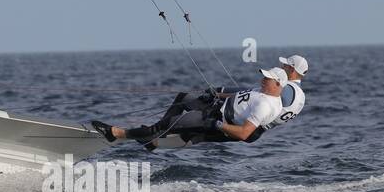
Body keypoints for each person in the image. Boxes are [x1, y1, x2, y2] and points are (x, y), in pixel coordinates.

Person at [93, 67, 288, 145]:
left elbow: (244, 134)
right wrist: (217, 94)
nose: (263, 78)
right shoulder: (262, 90)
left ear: (278, 84)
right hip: (215, 105)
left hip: (214, 119)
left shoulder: (266, 106)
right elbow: (241, 96)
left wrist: (217, 125)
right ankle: (153, 137)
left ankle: (116, 133)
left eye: (268, 78)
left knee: (169, 123)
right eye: (265, 75)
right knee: (183, 97)